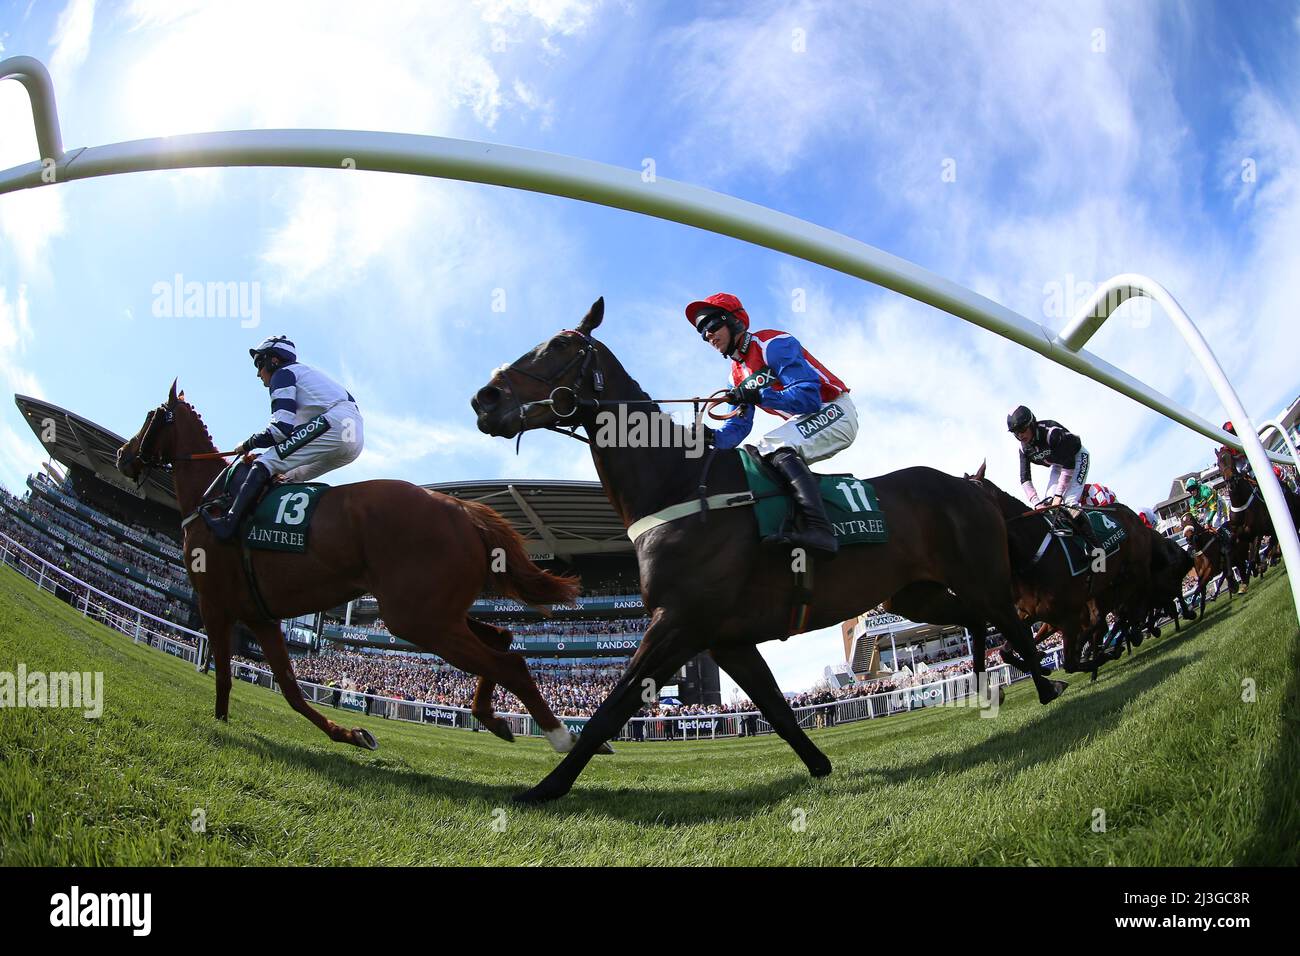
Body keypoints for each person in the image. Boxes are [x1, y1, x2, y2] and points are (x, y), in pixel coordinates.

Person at [687, 292, 856, 556]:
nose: (707, 336)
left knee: (771, 446)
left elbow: (809, 398)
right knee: (754, 455)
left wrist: (761, 394)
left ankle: (821, 531)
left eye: (710, 325)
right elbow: (738, 428)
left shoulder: (773, 343)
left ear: (733, 321)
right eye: (702, 333)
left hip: (834, 410)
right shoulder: (735, 376)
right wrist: (711, 438)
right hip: (805, 421)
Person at [203, 335, 364, 542]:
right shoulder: (306, 377)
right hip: (353, 437)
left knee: (266, 462)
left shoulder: (283, 375)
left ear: (274, 360)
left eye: (259, 364)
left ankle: (228, 524)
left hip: (336, 424)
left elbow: (279, 430)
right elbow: (288, 437)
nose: (258, 373)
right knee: (288, 475)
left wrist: (246, 445)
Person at [1006, 405, 1100, 548]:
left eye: (1022, 430)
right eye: (1016, 433)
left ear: (1031, 424)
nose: (1020, 436)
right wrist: (1037, 503)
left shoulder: (1051, 432)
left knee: (1069, 504)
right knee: (1048, 506)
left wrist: (1059, 495)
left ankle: (1096, 547)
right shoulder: (1023, 448)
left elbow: (1069, 464)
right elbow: (1025, 478)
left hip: (1076, 458)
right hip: (1059, 463)